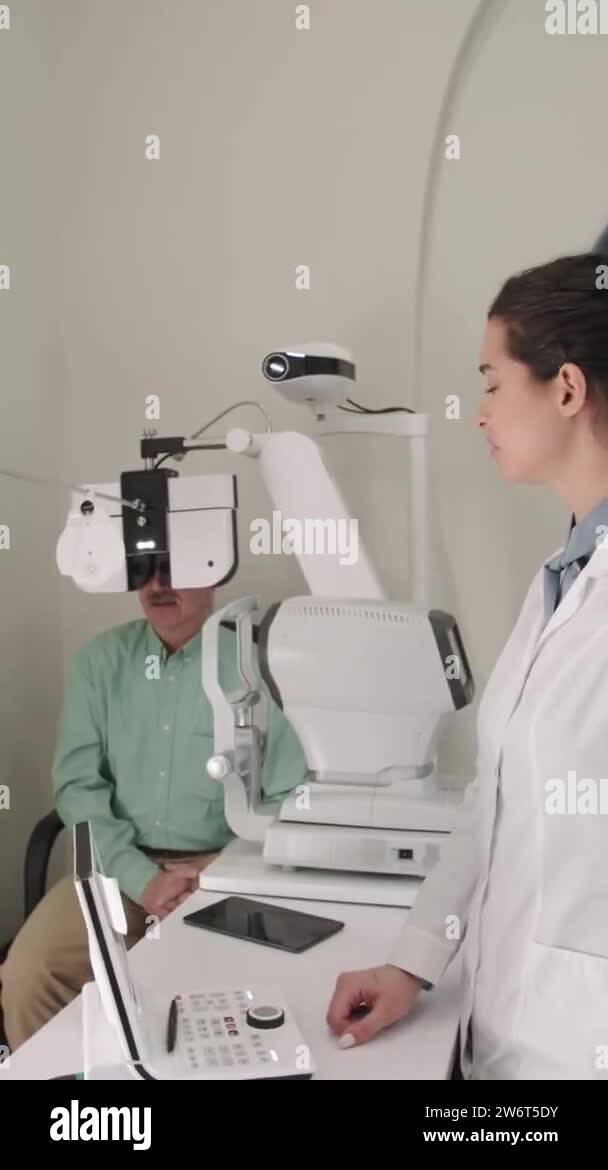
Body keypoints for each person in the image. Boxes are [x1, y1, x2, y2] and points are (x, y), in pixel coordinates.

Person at [326, 251, 608, 1080]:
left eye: (490, 382)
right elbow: (494, 803)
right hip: (504, 1039)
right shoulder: (560, 581)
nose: (478, 412)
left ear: (564, 388)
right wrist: (414, 961)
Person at [0, 570, 309, 1051]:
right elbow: (78, 787)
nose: (158, 585)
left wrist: (217, 869)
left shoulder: (259, 668)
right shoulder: (101, 662)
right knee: (28, 975)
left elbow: (292, 794)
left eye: (177, 571)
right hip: (115, 867)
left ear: (212, 572)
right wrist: (142, 880)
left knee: (210, 1005)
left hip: (219, 874)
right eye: (146, 571)